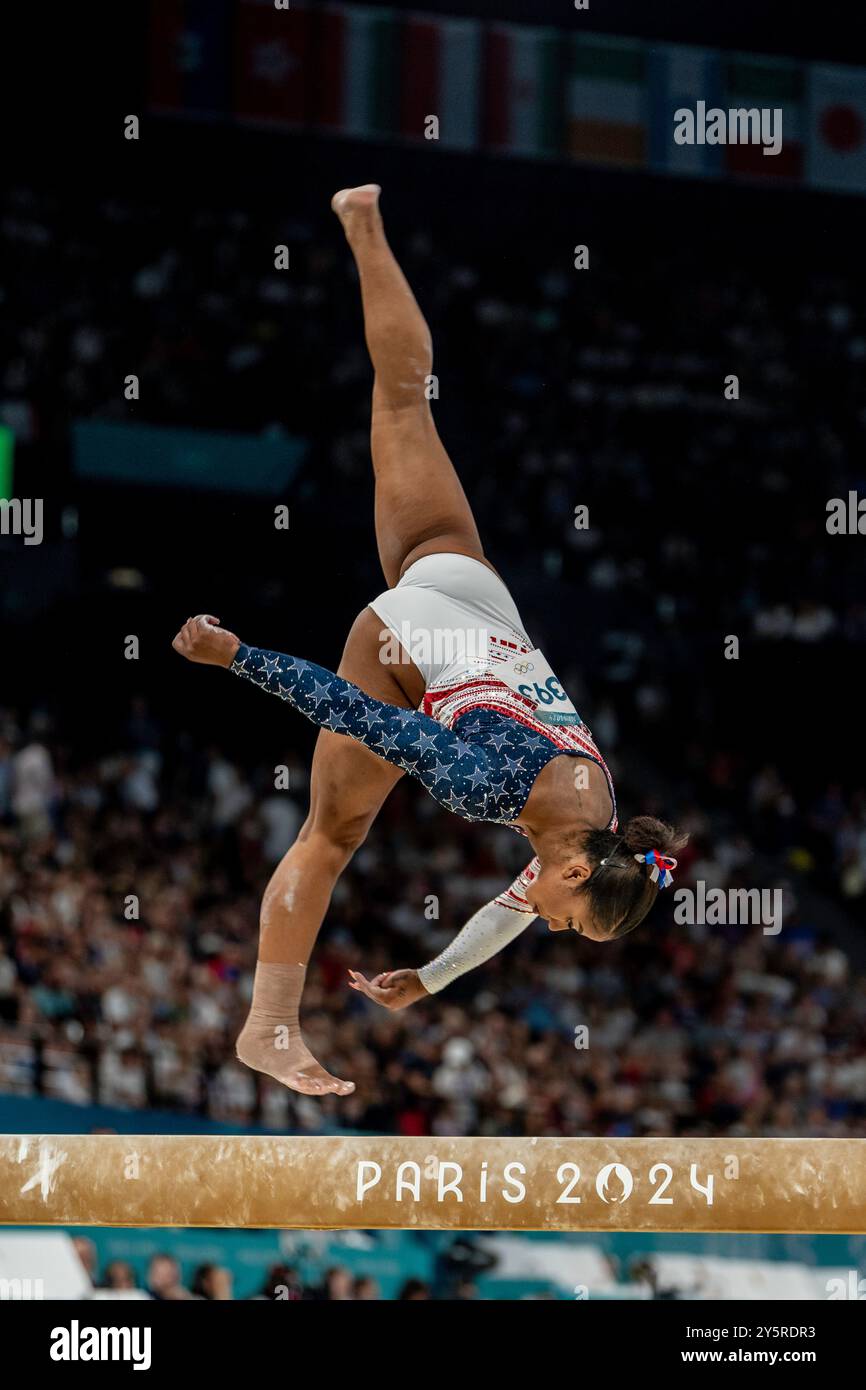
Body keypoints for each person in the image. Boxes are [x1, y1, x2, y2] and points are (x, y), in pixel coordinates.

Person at [172, 185, 686, 1098]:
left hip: (472, 591)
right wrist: (236, 657)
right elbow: (354, 708)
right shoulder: (488, 788)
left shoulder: (599, 814)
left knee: (406, 400)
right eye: (573, 922)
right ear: (577, 869)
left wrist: (436, 977)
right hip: (401, 644)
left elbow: (516, 909)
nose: (555, 928)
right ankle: (268, 1026)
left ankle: (362, 221)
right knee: (331, 832)